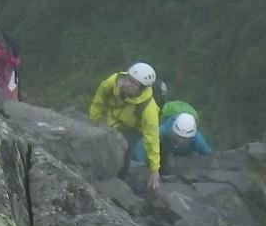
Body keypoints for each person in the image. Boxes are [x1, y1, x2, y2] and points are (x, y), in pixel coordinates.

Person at [89, 61, 163, 191]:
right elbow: (99, 99)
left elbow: (152, 138)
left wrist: (154, 170)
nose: (127, 83)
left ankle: (120, 180)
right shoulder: (113, 82)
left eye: (133, 83)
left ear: (142, 88)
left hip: (134, 128)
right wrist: (94, 119)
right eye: (128, 78)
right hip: (113, 119)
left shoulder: (148, 109)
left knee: (124, 146)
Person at [131, 103, 213, 170]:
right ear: (173, 132)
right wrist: (140, 164)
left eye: (185, 138)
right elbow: (143, 144)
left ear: (191, 137)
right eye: (179, 136)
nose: (181, 141)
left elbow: (209, 155)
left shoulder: (198, 139)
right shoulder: (163, 130)